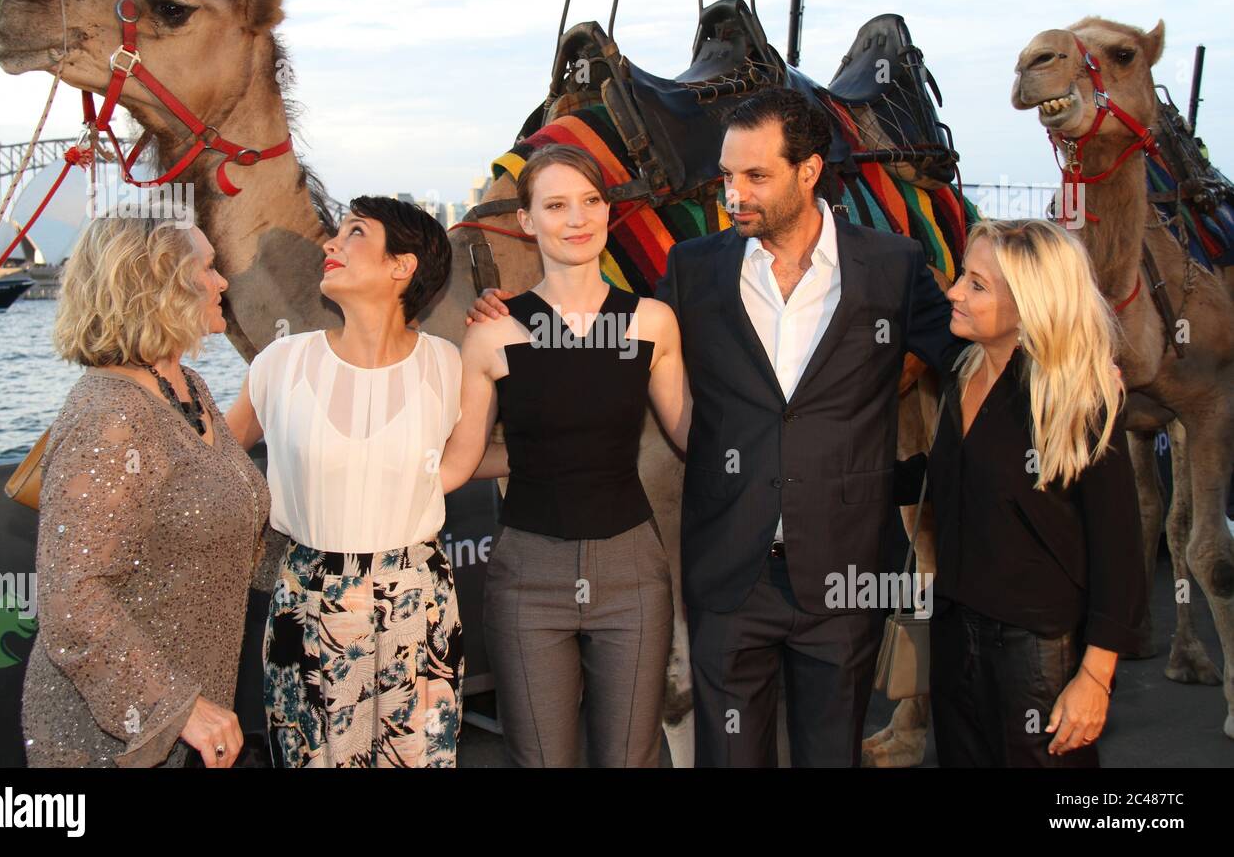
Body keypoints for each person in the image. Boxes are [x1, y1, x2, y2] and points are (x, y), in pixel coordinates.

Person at [469, 87, 964, 766]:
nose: (734, 193)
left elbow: (970, 360)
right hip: (730, 576)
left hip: (846, 576)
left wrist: (1065, 363)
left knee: (831, 756)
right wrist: (517, 317)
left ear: (809, 171)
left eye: (755, 176)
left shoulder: (891, 267)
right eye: (727, 175)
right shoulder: (695, 268)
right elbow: (609, 357)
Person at [442, 144, 690, 766]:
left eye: (591, 201)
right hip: (528, 576)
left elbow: (696, 436)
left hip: (633, 572)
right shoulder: (492, 332)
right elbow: (459, 463)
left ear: (608, 212)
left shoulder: (652, 322)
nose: (577, 218)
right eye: (556, 205)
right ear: (527, 221)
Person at [23, 214, 270, 768]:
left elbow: (229, 523)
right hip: (111, 737)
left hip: (192, 720)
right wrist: (177, 708)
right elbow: (71, 599)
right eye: (207, 268)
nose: (223, 282)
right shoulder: (109, 417)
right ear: (156, 286)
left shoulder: (187, 387)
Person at [226, 196, 465, 768]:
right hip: (308, 599)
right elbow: (212, 468)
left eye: (354, 232)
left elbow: (463, 459)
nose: (330, 245)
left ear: (401, 266)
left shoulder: (449, 365)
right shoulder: (280, 363)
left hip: (418, 599)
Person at [922, 218, 1147, 767]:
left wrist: (1095, 677)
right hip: (954, 639)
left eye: (977, 285)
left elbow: (1119, 553)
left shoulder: (1081, 402)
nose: (953, 292)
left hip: (1038, 654)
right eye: (961, 277)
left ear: (1029, 305)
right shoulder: (962, 374)